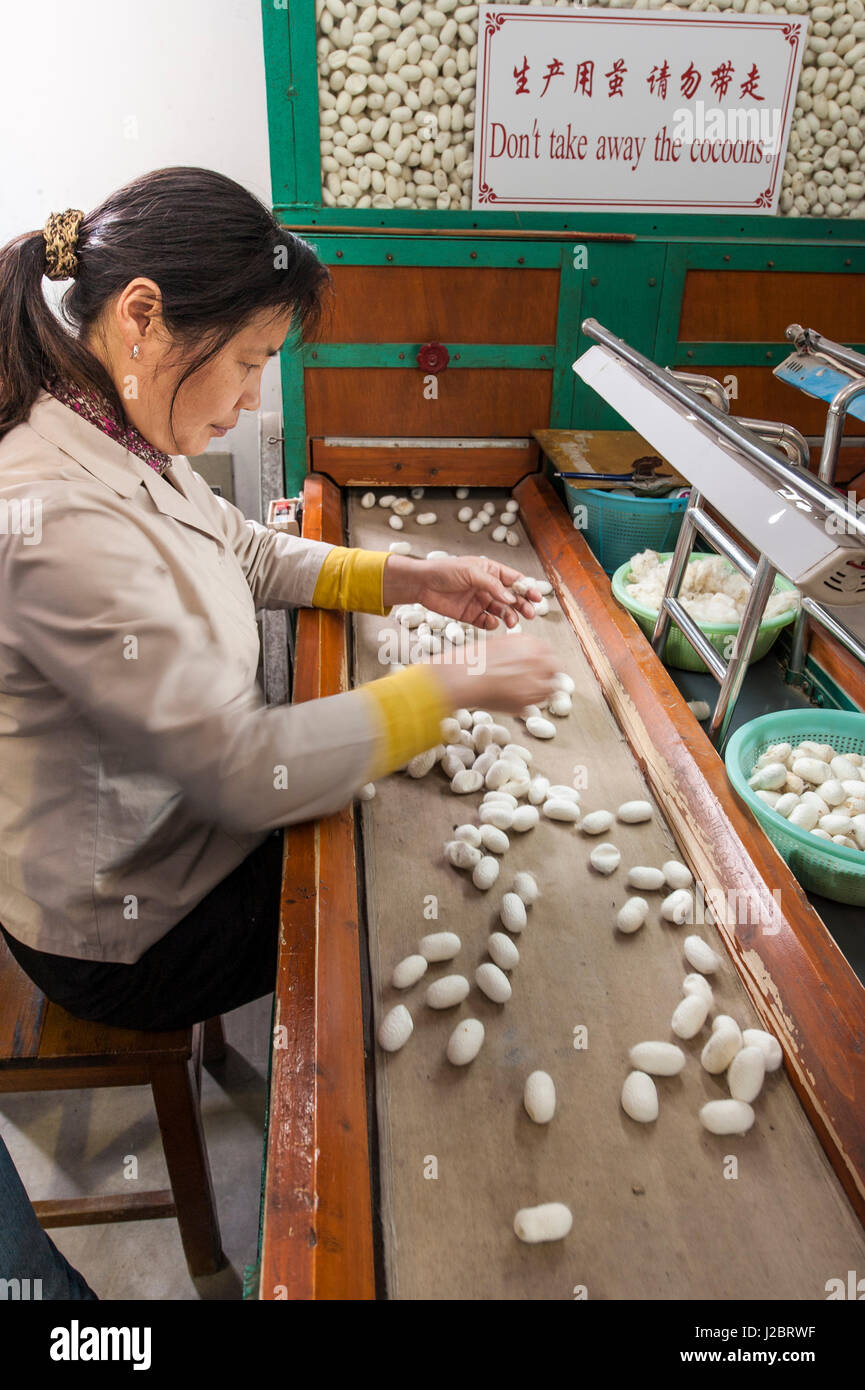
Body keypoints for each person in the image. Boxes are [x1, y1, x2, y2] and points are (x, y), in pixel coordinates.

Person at [0, 167, 558, 1033]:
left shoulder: (113, 424)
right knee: (402, 888)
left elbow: (242, 545)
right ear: (141, 317)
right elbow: (246, 775)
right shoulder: (60, 518)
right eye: (249, 361)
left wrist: (400, 577)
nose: (256, 396)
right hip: (134, 926)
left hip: (179, 828)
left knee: (386, 822)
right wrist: (455, 687)